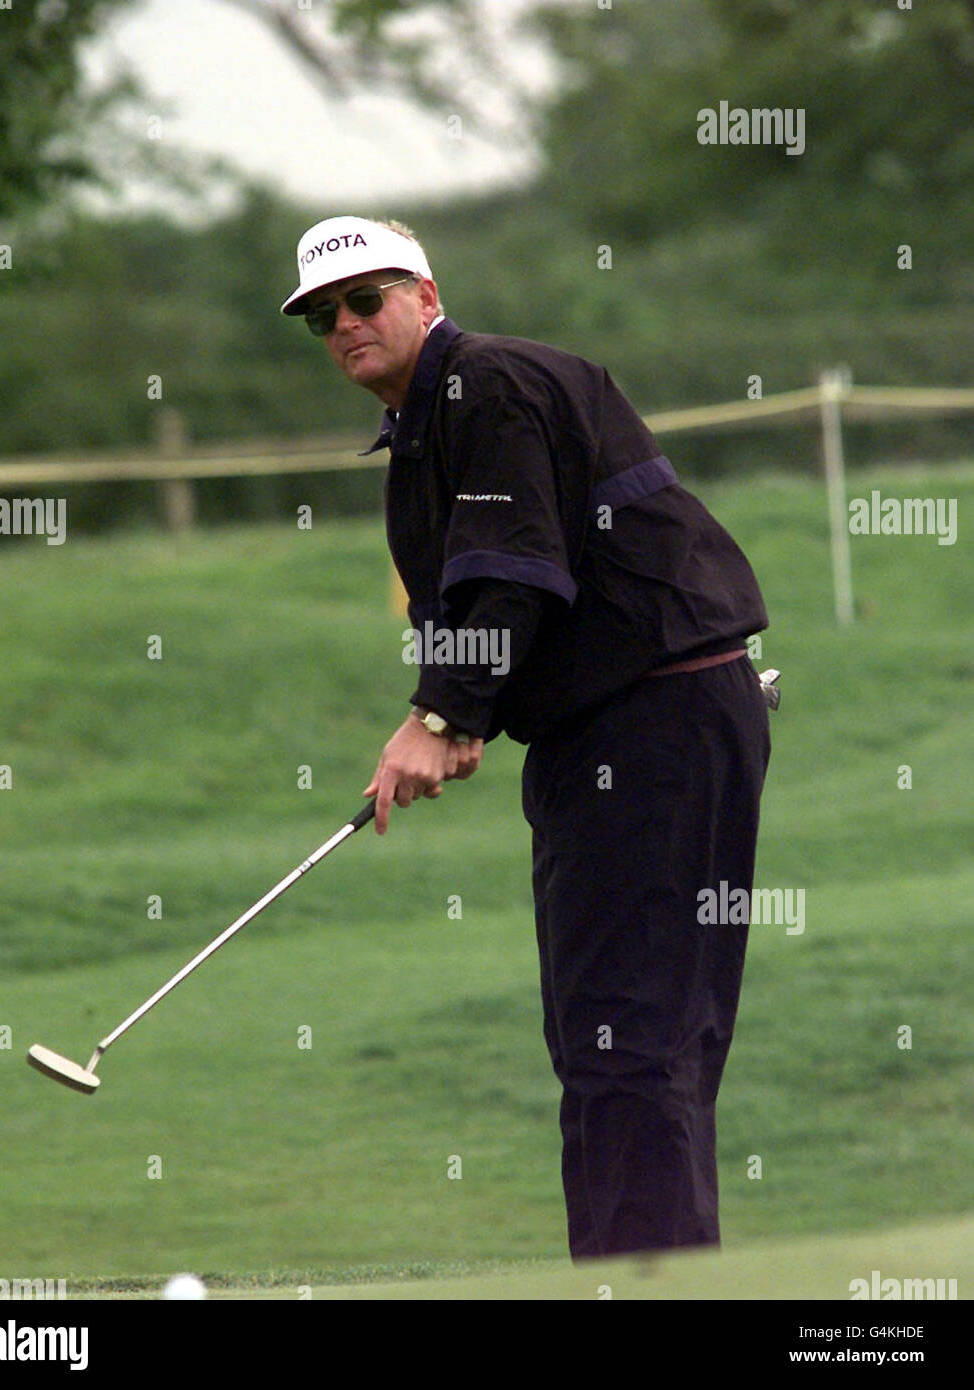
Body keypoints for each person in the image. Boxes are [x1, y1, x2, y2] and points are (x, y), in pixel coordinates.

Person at [281, 216, 773, 1258]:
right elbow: (475, 602)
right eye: (324, 316)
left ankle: (643, 1284)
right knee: (615, 1038)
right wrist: (463, 709)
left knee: (627, 1037)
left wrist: (443, 715)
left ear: (424, 293)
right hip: (615, 728)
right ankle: (634, 1272)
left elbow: (516, 572)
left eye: (365, 299)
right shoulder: (424, 428)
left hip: (655, 722)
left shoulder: (483, 384)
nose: (346, 325)